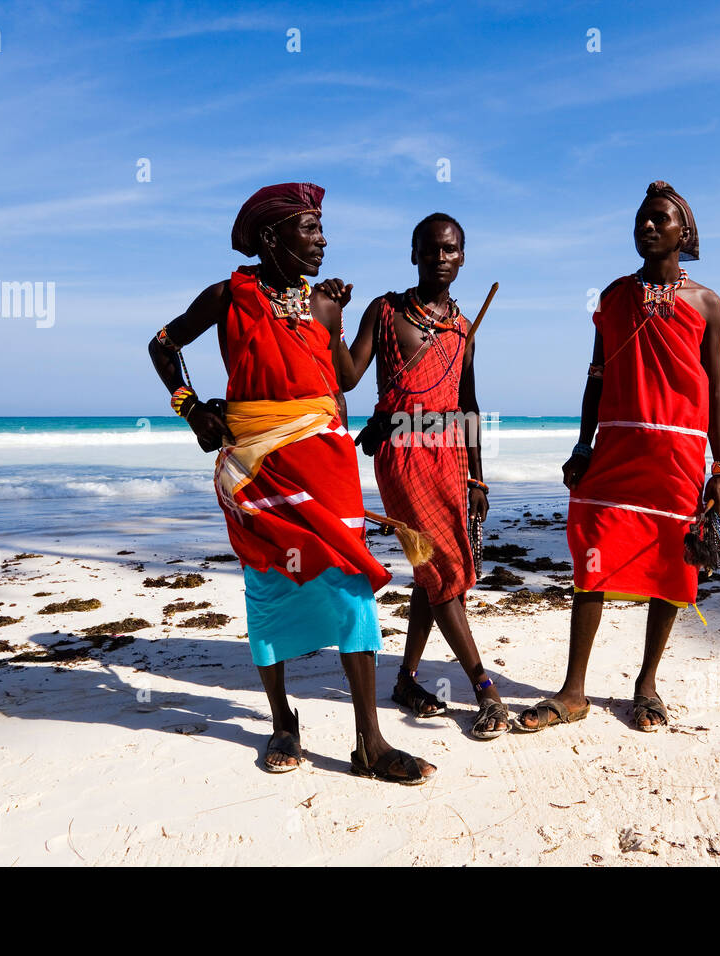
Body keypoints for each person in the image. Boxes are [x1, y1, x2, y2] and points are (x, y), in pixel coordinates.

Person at [147, 182, 436, 784]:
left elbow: (342, 380)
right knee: (267, 585)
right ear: (271, 238)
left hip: (327, 465)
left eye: (323, 229)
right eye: (308, 230)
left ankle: (370, 742)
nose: (322, 240)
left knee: (350, 584)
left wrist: (361, 323)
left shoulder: (324, 307)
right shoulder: (228, 296)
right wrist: (190, 405)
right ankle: (283, 720)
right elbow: (163, 343)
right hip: (257, 464)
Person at [518, 181, 720, 734]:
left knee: (671, 564)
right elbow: (596, 377)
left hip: (678, 455)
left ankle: (646, 686)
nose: (647, 226)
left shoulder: (706, 302)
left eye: (660, 219)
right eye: (641, 219)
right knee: (592, 557)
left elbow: (716, 389)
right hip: (614, 449)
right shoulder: (612, 297)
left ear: (684, 233)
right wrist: (581, 443)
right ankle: (573, 691)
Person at [342, 213, 510, 740]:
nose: (441, 258)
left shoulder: (465, 329)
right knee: (439, 565)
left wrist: (478, 479)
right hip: (401, 454)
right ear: (413, 254)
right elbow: (347, 375)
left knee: (429, 568)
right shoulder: (386, 311)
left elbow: (470, 405)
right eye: (431, 249)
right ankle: (485, 689)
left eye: (452, 249)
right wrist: (334, 321)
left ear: (463, 256)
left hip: (449, 454)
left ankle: (407, 679)